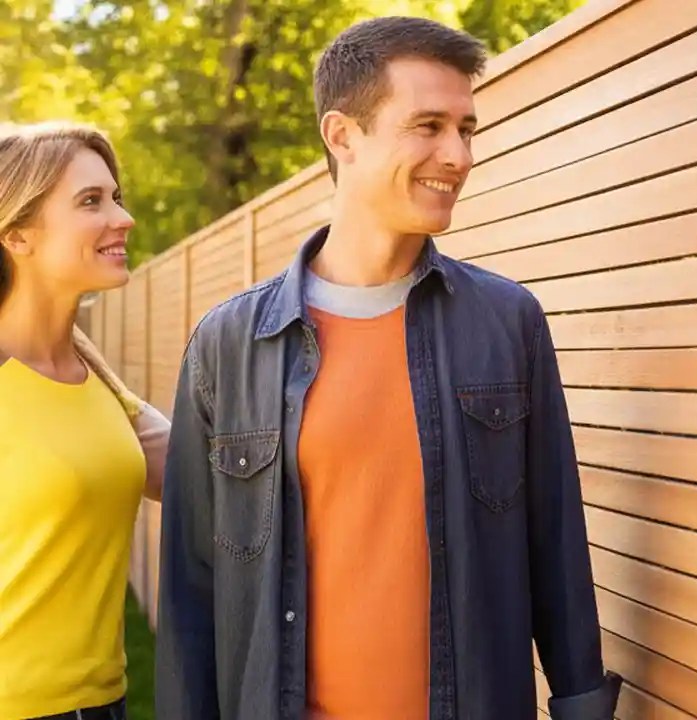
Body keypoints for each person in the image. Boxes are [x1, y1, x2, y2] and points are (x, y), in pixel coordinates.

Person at [155, 16, 621, 719]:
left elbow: (555, 548)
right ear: (343, 135)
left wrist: (582, 704)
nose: (458, 155)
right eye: (428, 126)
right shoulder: (228, 345)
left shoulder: (508, 324)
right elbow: (193, 591)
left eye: (466, 130)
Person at [0, 121, 170, 720]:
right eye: (91, 201)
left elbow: (203, 472)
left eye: (115, 197)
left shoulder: (100, 382)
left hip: (103, 703)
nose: (123, 218)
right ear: (17, 234)